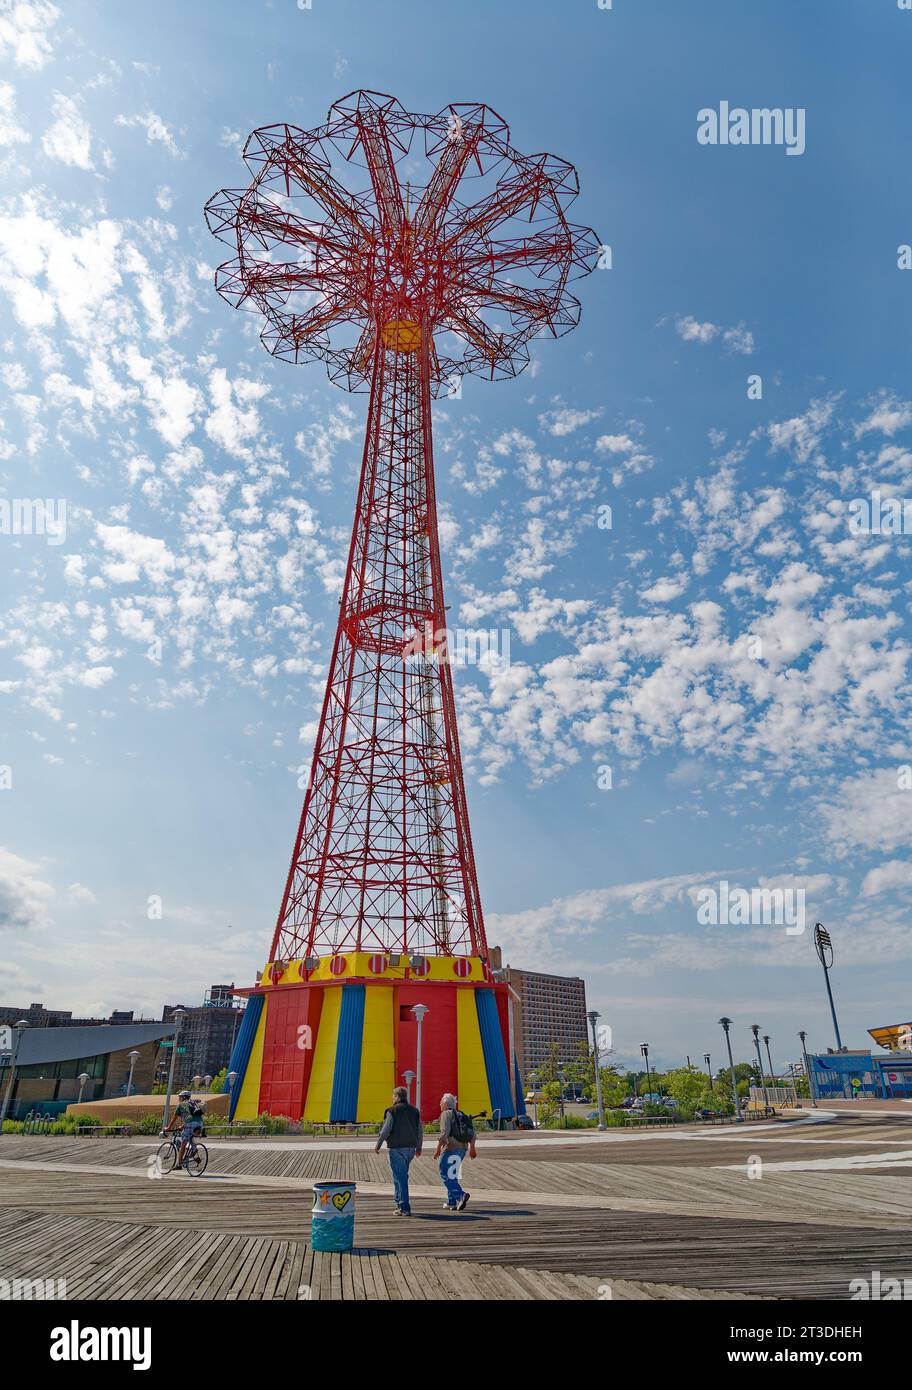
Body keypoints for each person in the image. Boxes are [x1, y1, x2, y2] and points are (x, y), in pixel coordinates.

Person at [375, 1086, 422, 1214]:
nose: (392, 1098)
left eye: (393, 1096)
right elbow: (419, 1131)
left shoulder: (392, 1111)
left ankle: (404, 1207)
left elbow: (385, 1130)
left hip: (397, 1148)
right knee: (399, 1176)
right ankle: (398, 1204)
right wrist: (419, 1147)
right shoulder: (415, 1111)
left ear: (396, 1096)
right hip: (411, 1148)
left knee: (400, 1177)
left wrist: (378, 1144)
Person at [434, 1093, 475, 1212]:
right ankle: (451, 1202)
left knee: (444, 1172)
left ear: (446, 1103)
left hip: (451, 1147)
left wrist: (438, 1149)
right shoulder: (461, 1115)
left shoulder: (445, 1114)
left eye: (441, 1102)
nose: (440, 1104)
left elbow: (444, 1133)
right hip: (463, 1148)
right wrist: (472, 1148)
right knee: (452, 1174)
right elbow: (472, 1133)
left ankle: (460, 1195)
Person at [166, 1089, 206, 1170]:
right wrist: (182, 1126)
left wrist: (168, 1128)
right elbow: (191, 1116)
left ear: (183, 1097)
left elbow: (174, 1118)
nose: (179, 1099)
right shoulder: (194, 1103)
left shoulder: (181, 1105)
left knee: (183, 1144)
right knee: (189, 1135)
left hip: (190, 1124)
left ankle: (179, 1165)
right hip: (200, 1123)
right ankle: (193, 1149)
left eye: (180, 1097)